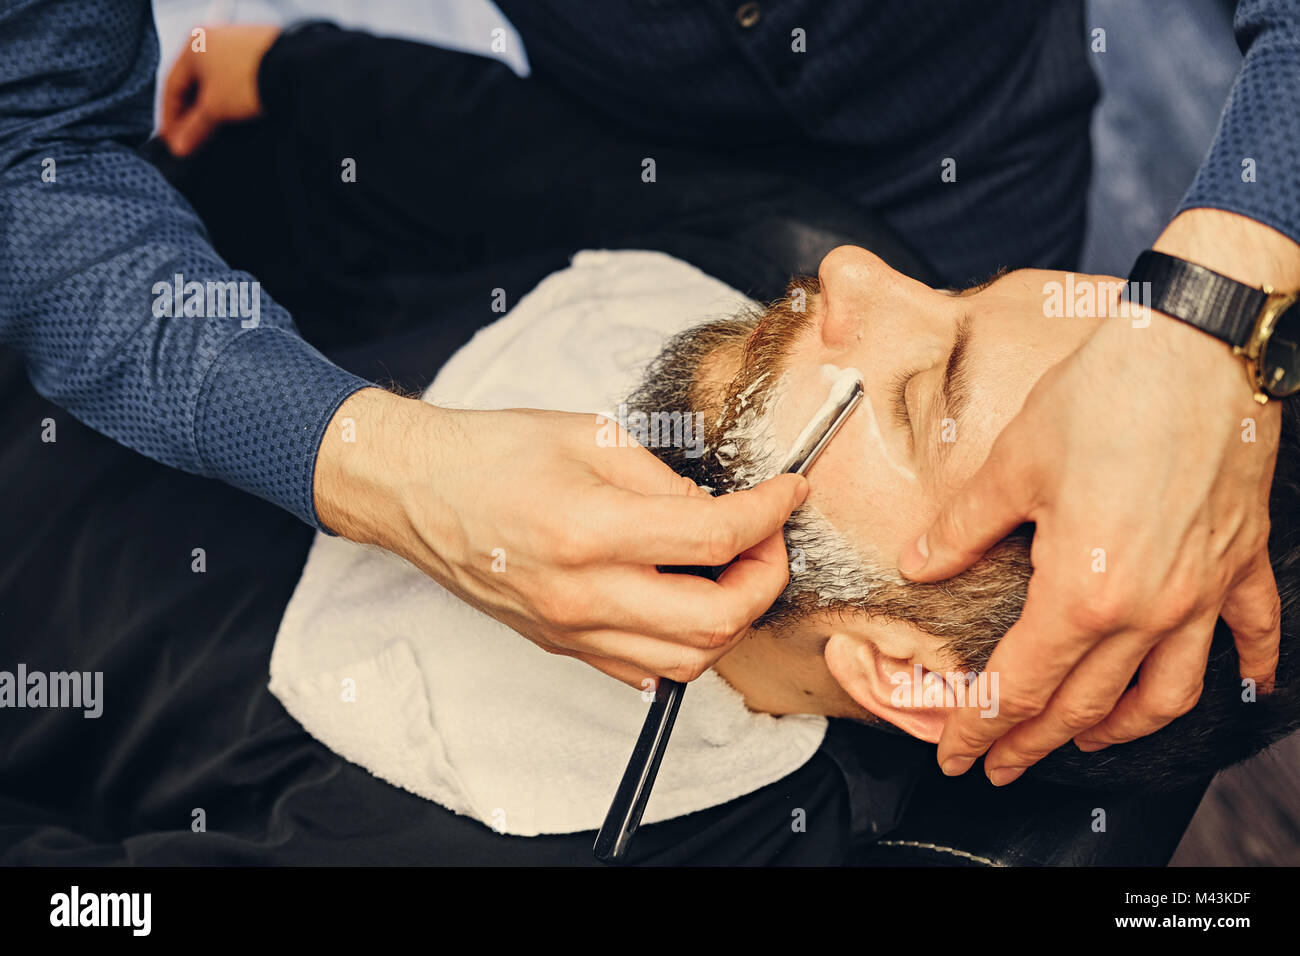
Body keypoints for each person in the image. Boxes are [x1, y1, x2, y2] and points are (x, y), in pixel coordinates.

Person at [4, 2, 1299, 792]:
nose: (856, 271)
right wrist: (299, 82)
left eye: (928, 387)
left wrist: (1220, 304)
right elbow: (36, 143)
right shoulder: (737, 244)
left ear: (909, 679)